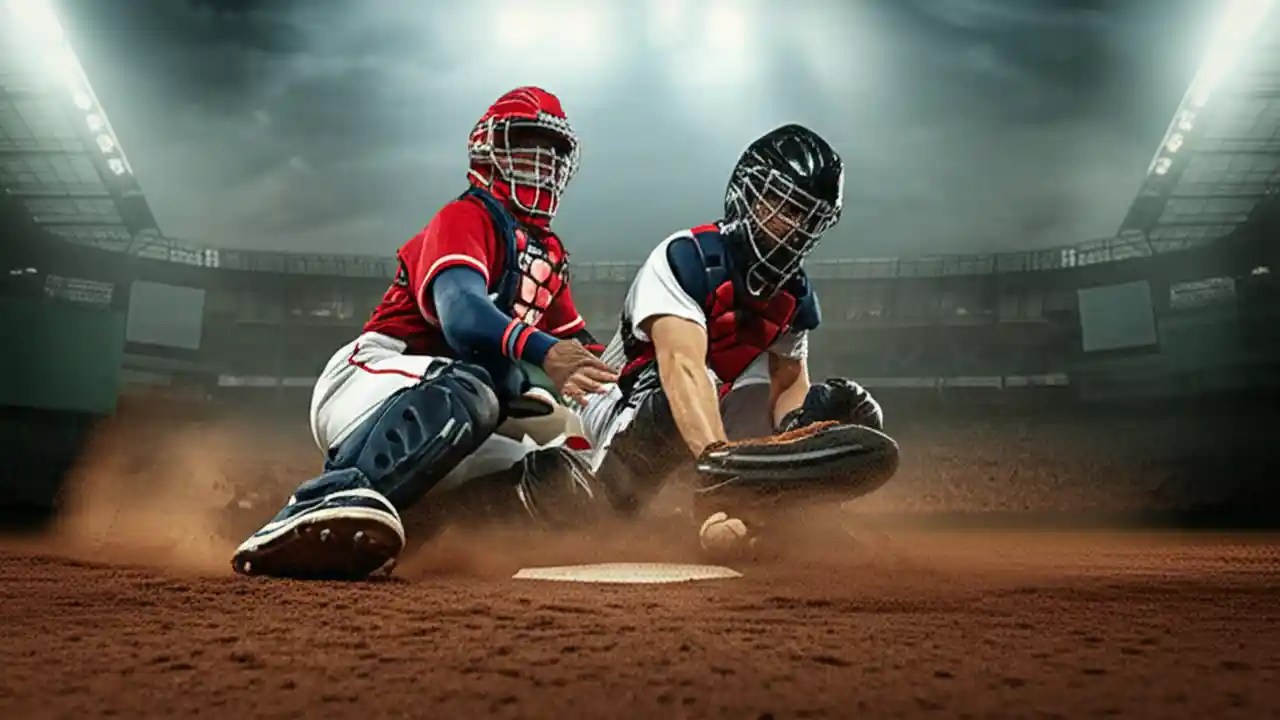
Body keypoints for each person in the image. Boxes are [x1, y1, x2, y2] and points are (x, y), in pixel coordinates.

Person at [232, 86, 618, 580]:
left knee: (561, 480)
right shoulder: (466, 216)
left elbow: (588, 356)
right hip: (372, 381)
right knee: (473, 390)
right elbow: (462, 314)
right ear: (487, 149)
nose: (541, 162)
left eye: (553, 152)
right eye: (526, 143)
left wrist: (655, 380)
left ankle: (417, 535)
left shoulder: (548, 255)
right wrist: (542, 353)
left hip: (456, 423)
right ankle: (319, 502)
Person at [576, 123, 897, 546]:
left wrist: (796, 439)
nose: (795, 227)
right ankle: (666, 499)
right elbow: (682, 369)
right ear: (747, 194)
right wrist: (723, 470)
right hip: (620, 403)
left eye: (808, 217)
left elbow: (787, 384)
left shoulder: (793, 297)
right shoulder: (686, 258)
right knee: (692, 389)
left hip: (713, 416)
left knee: (838, 406)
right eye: (783, 206)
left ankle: (783, 516)